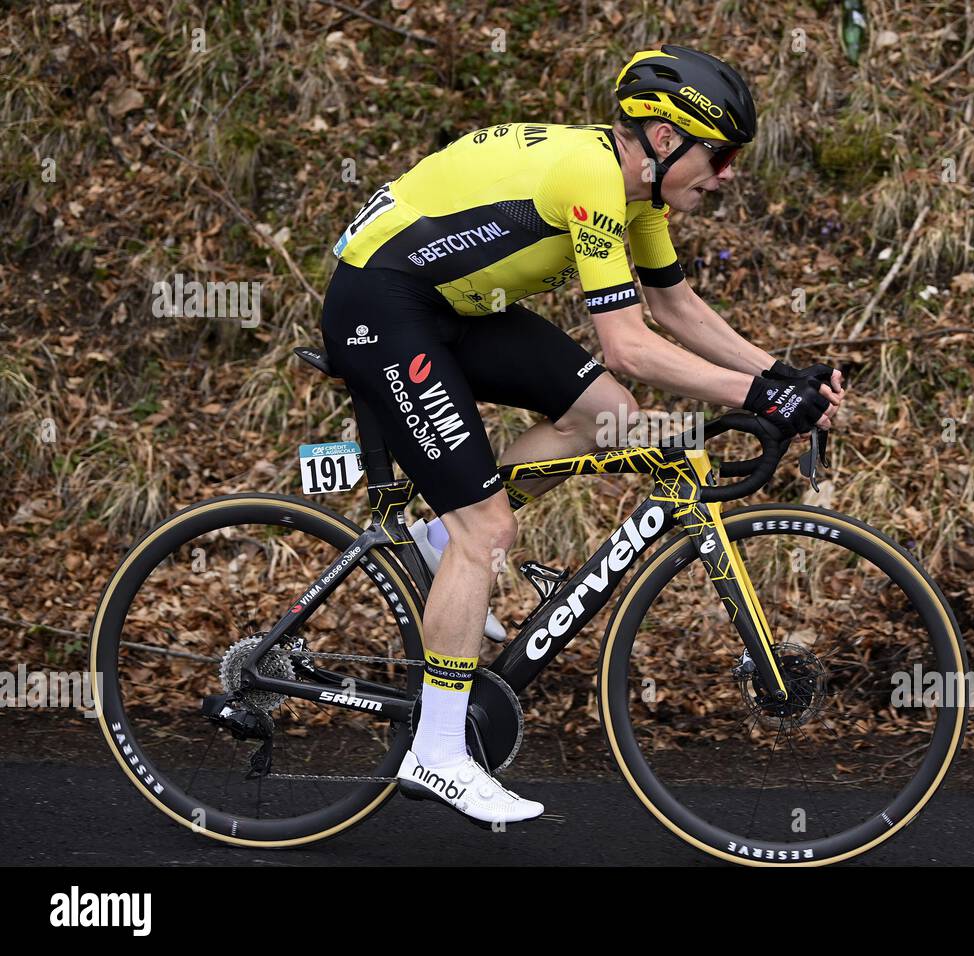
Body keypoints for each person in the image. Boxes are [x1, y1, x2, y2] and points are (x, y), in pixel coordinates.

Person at [319, 45, 845, 826]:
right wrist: (760, 396)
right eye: (722, 155)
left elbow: (674, 307)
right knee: (487, 529)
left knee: (606, 413)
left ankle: (437, 541)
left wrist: (782, 374)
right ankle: (436, 751)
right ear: (664, 139)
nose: (728, 175)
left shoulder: (636, 195)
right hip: (381, 303)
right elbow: (627, 345)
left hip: (449, 304)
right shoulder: (591, 178)